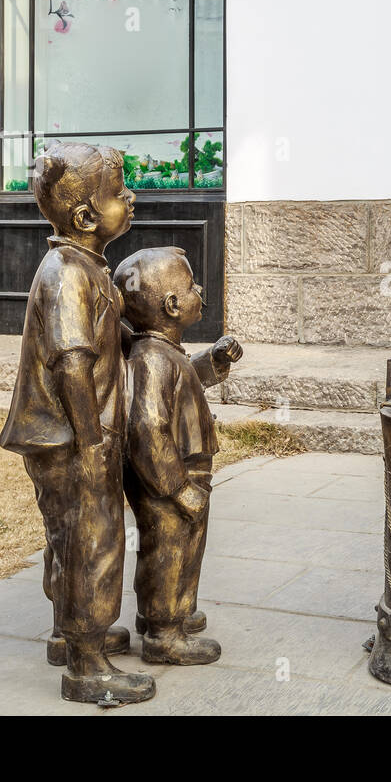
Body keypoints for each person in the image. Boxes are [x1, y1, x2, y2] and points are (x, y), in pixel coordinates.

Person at [0, 141, 154, 704]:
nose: (130, 197)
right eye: (118, 190)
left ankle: (72, 633)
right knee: (95, 538)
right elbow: (73, 363)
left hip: (71, 435)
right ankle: (89, 663)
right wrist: (92, 441)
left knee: (70, 535)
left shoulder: (87, 268)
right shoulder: (67, 274)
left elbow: (112, 343)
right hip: (71, 436)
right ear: (87, 217)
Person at [113, 246, 241, 665]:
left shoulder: (166, 352)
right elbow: (147, 431)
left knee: (187, 545)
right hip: (169, 478)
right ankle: (163, 632)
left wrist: (215, 360)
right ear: (172, 305)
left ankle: (174, 611)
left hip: (186, 474)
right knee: (167, 547)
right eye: (191, 286)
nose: (198, 291)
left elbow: (190, 379)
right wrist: (178, 489)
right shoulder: (151, 360)